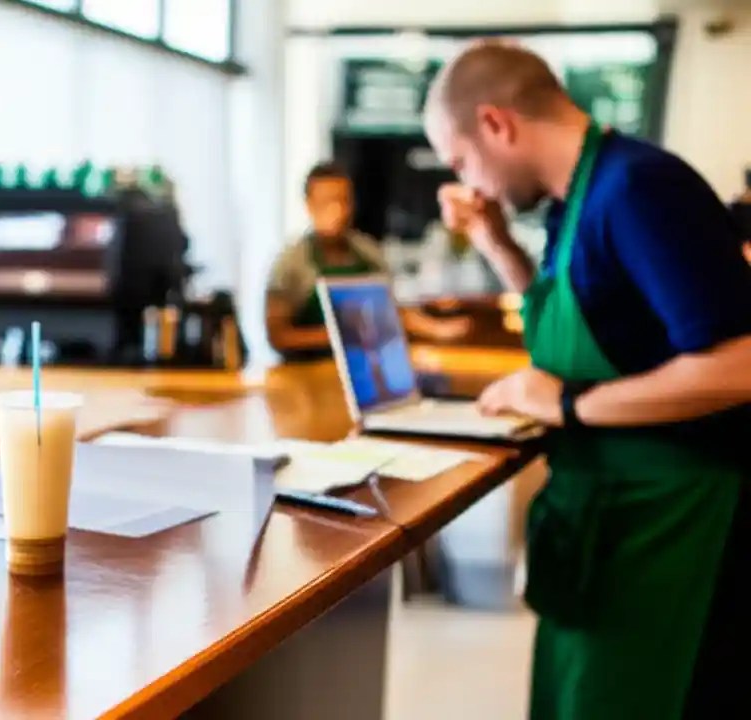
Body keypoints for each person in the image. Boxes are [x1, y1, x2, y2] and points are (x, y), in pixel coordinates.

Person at [424, 40, 751, 719]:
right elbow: (589, 319)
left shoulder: (637, 189)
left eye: (461, 161)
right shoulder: (574, 200)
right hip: (607, 514)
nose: (469, 185)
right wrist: (494, 243)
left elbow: (740, 364)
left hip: (673, 520)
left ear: (496, 123)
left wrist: (572, 405)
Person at [264, 163, 470, 362]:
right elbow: (278, 337)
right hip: (304, 377)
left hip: (366, 371)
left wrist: (436, 329)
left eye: (343, 201)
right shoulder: (291, 264)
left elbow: (392, 312)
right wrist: (344, 336)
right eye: (327, 202)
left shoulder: (369, 253)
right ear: (309, 205)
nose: (337, 211)